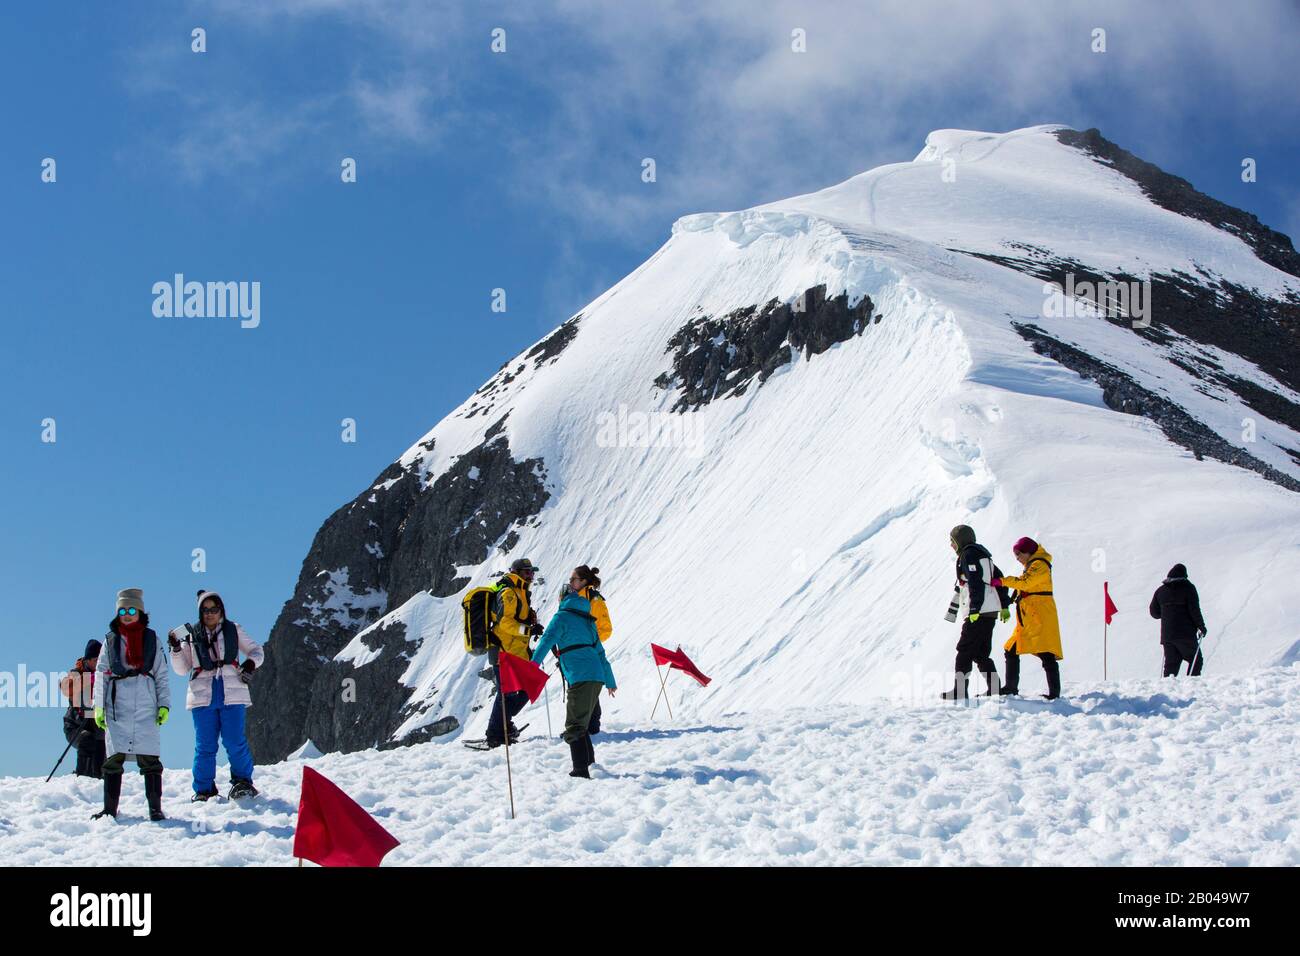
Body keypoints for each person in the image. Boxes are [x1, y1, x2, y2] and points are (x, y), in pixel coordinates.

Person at [168, 590, 265, 800]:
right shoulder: (191, 635)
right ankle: (203, 790)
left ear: (221, 610)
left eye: (214, 609)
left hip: (232, 691)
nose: (210, 614)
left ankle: (242, 782)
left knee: (234, 740)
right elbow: (182, 669)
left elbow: (257, 652)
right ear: (200, 612)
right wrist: (176, 649)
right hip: (202, 695)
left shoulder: (233, 630)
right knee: (205, 744)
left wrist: (250, 664)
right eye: (205, 610)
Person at [92, 588, 170, 821]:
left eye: (131, 609)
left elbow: (162, 674)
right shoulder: (110, 640)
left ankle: (155, 808)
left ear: (140, 612)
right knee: (113, 759)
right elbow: (102, 673)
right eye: (123, 610)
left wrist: (164, 704)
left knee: (150, 759)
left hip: (146, 702)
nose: (127, 614)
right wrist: (99, 707)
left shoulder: (152, 639)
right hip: (117, 704)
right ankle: (109, 809)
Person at [531, 569, 617, 778]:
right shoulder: (588, 621)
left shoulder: (562, 617)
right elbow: (601, 653)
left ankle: (580, 771)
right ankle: (590, 764)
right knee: (582, 724)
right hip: (596, 675)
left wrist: (532, 665)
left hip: (579, 674)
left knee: (574, 726)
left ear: (562, 600)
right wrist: (609, 681)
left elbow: (546, 640)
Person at [990, 537, 1064, 699]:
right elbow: (1024, 587)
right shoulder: (1032, 565)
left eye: (1018, 554)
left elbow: (1026, 583)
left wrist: (1002, 582)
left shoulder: (1040, 565)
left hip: (1040, 616)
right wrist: (1008, 601)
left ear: (1028, 552)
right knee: (1011, 649)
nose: (1017, 558)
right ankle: (1011, 687)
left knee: (1046, 653)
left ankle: (1054, 693)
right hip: (1029, 617)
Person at [944, 526, 1010, 699]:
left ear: (960, 540)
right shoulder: (984, 556)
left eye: (952, 541)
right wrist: (1004, 606)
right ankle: (994, 689)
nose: (951, 545)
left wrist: (975, 608)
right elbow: (999, 580)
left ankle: (959, 690)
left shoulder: (969, 554)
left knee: (964, 650)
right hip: (989, 612)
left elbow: (975, 583)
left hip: (979, 612)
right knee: (980, 653)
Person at [483, 558, 543, 748]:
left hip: (517, 652)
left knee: (532, 684)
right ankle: (495, 734)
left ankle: (504, 724)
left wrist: (533, 626)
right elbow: (505, 623)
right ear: (516, 572)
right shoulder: (508, 592)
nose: (531, 576)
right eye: (527, 572)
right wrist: (528, 631)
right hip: (504, 652)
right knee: (506, 694)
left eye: (532, 572)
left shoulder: (522, 592)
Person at [1149, 563, 1207, 676]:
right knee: (1196, 661)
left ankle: (1167, 691)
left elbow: (1154, 613)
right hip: (1186, 634)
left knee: (1171, 665)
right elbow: (1194, 610)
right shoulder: (1188, 588)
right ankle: (1192, 685)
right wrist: (1201, 626)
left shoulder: (1160, 591)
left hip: (1168, 636)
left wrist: (1167, 613)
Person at [59, 640, 106, 778]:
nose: (98, 663)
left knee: (102, 743)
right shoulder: (76, 673)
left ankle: (99, 776)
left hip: (97, 725)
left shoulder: (104, 674)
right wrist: (87, 679)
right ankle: (83, 778)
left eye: (100, 659)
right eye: (96, 660)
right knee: (86, 739)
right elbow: (66, 688)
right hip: (75, 726)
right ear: (87, 660)